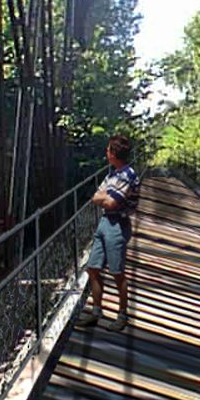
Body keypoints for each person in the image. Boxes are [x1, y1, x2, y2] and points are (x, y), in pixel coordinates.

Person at [76, 134, 140, 332]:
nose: (106, 153)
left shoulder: (128, 175)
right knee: (93, 268)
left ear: (113, 153)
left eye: (108, 150)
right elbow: (97, 197)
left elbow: (111, 202)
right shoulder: (113, 174)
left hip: (118, 225)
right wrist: (105, 198)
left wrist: (105, 197)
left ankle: (122, 315)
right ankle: (96, 312)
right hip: (105, 222)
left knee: (117, 272)